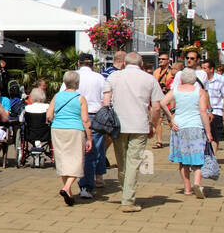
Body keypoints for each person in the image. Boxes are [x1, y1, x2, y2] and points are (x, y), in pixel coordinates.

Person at [103, 52, 164, 212]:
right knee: (133, 162)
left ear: (124, 63)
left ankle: (126, 193)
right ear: (141, 64)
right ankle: (128, 200)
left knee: (122, 162)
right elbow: (157, 107)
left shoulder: (114, 77)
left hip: (118, 124)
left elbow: (105, 101)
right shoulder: (149, 79)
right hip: (139, 125)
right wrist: (153, 124)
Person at [162, 67, 212, 199]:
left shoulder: (176, 90)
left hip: (179, 126)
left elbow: (162, 103)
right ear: (195, 79)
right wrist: (208, 132)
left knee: (183, 161)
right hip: (196, 126)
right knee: (198, 158)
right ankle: (197, 183)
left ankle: (187, 188)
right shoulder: (200, 91)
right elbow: (203, 111)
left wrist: (171, 118)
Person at [47, 70, 91, 206]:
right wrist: (89, 137)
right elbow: (85, 119)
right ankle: (66, 187)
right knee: (77, 160)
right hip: (75, 129)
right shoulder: (80, 98)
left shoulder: (57, 96)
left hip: (58, 129)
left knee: (62, 159)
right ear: (77, 83)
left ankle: (69, 193)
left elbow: (48, 115)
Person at [75, 53, 107, 198]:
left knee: (78, 151)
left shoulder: (72, 76)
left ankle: (80, 182)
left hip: (75, 116)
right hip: (94, 115)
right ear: (92, 64)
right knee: (93, 150)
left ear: (78, 63)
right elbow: (105, 100)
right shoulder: (100, 78)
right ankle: (91, 181)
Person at [199, 58, 224, 154]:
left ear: (211, 69)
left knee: (214, 136)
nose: (203, 70)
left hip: (216, 110)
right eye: (202, 68)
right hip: (202, 111)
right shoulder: (199, 79)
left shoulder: (221, 79)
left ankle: (212, 157)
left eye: (205, 68)